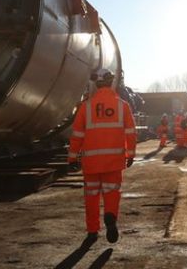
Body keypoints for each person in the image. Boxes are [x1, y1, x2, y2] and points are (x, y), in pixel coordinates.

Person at [67, 69, 137, 243]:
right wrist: (130, 154)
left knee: (91, 197)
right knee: (112, 193)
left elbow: (77, 135)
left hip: (91, 163)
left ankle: (92, 231)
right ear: (111, 82)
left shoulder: (86, 107)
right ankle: (111, 216)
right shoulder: (123, 106)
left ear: (96, 84)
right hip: (113, 163)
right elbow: (130, 133)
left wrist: (72, 158)